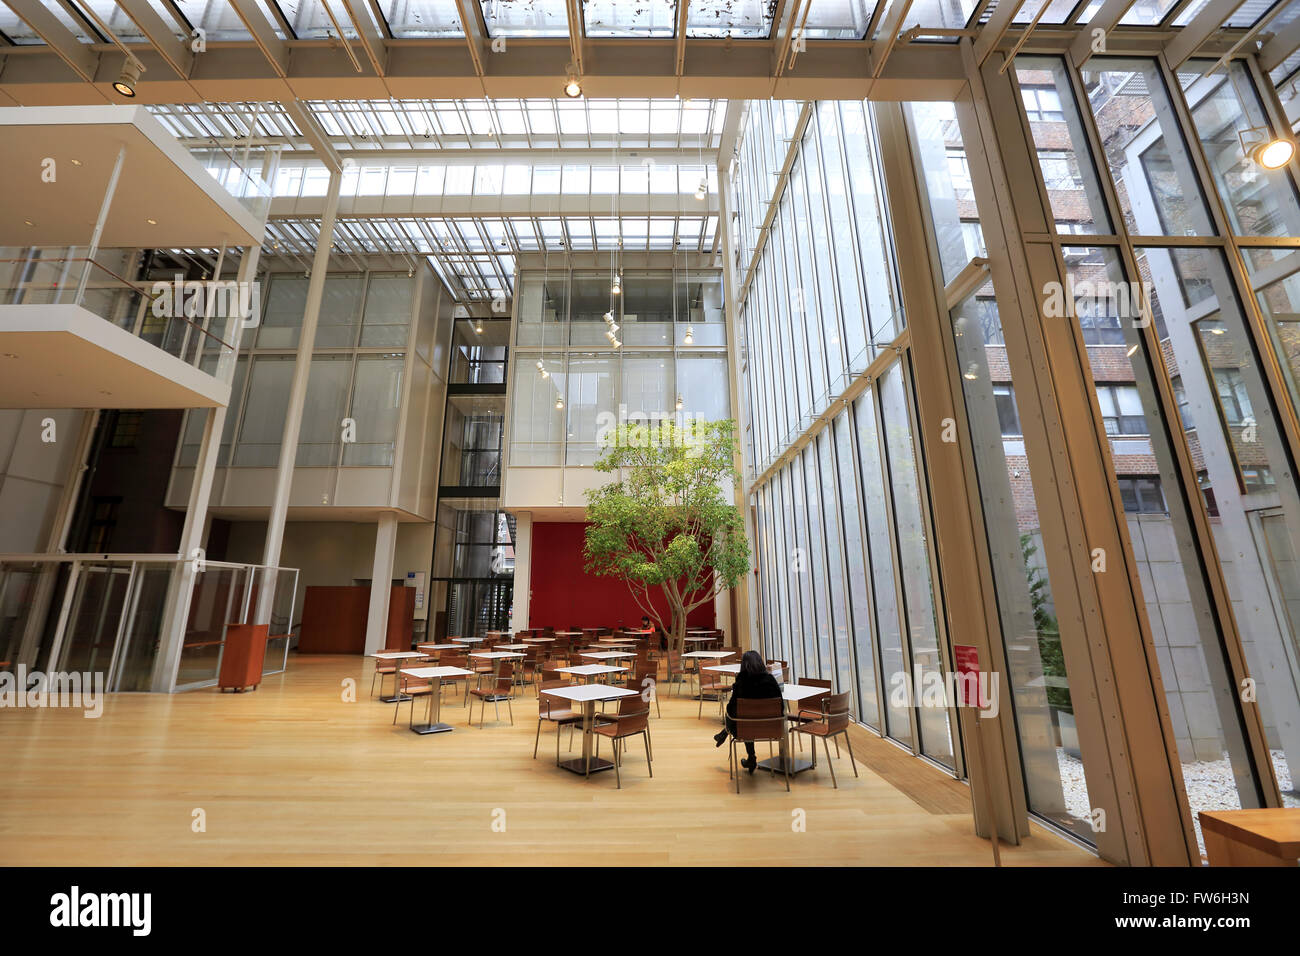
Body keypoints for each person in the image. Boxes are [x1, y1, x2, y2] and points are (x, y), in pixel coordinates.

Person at [712, 650, 782, 773]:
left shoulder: (741, 683)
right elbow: (781, 707)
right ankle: (747, 756)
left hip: (745, 729)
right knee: (746, 720)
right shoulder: (771, 680)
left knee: (742, 720)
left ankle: (748, 755)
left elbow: (730, 711)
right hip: (771, 729)